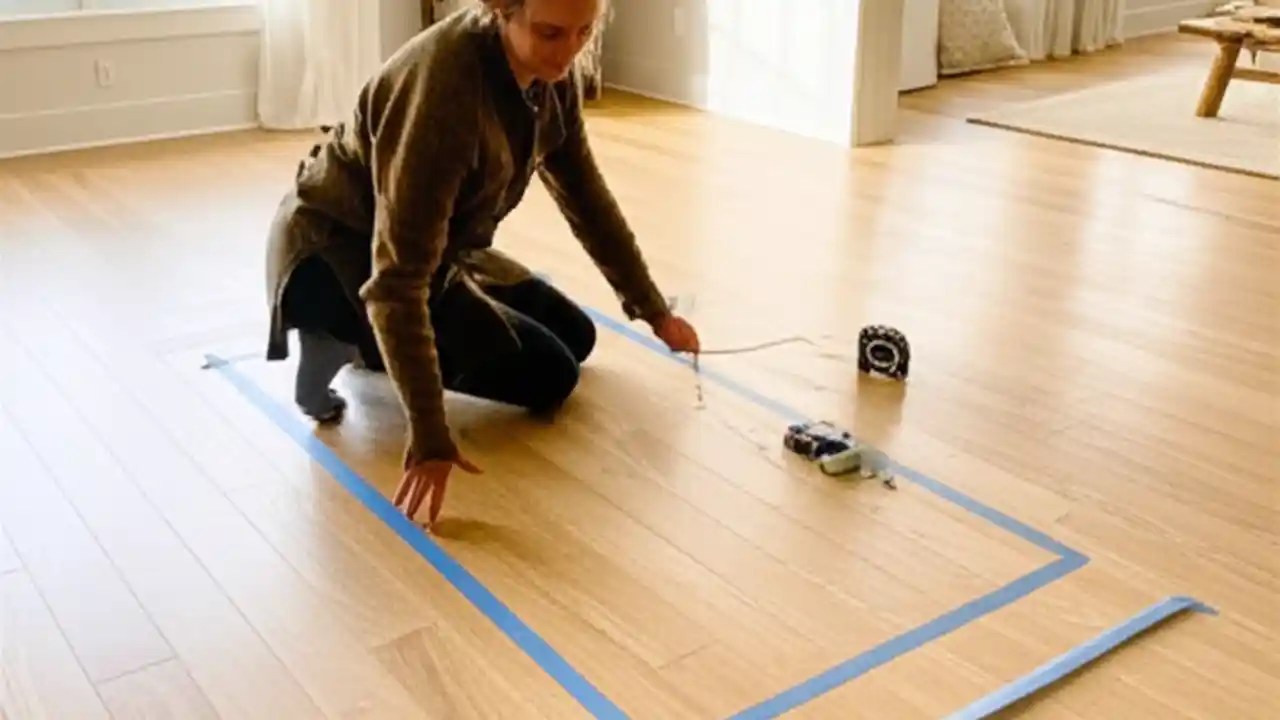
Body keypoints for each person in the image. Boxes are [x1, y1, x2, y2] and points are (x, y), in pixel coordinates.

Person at [263, 0, 699, 528]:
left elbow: (587, 198)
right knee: (550, 375)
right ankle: (345, 336)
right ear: (501, 10)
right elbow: (397, 284)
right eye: (550, 33)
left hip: (434, 243)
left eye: (585, 31)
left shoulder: (547, 73)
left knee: (576, 335)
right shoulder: (444, 94)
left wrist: (654, 310)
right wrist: (429, 436)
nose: (569, 52)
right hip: (337, 257)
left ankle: (384, 340)